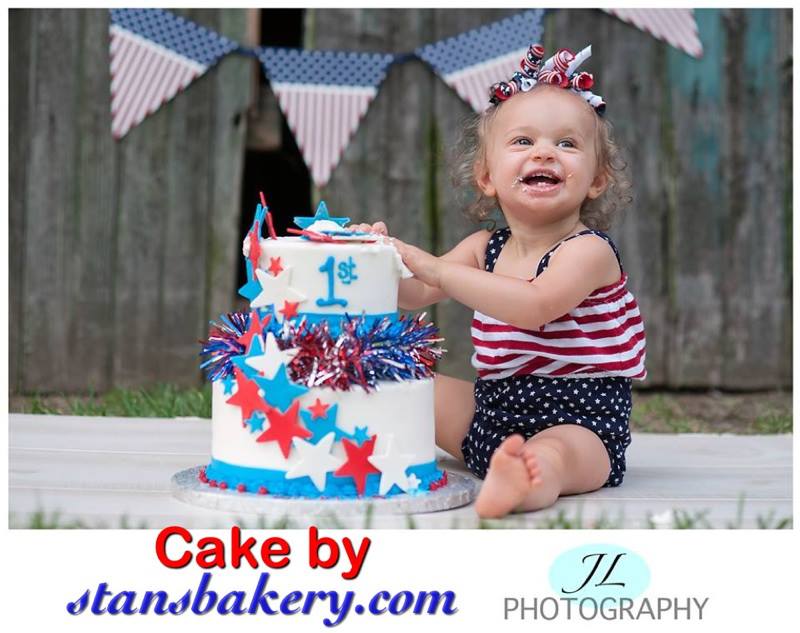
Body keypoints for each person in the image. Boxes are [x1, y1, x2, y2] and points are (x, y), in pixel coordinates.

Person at [353, 44, 646, 519]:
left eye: (567, 144)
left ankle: (523, 481)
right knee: (402, 383)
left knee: (555, 454)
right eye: (523, 141)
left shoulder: (588, 251)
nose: (544, 152)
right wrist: (377, 259)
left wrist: (436, 268)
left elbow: (535, 305)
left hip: (583, 419)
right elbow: (413, 293)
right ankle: (345, 450)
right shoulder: (482, 247)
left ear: (597, 179)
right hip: (491, 408)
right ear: (486, 175)